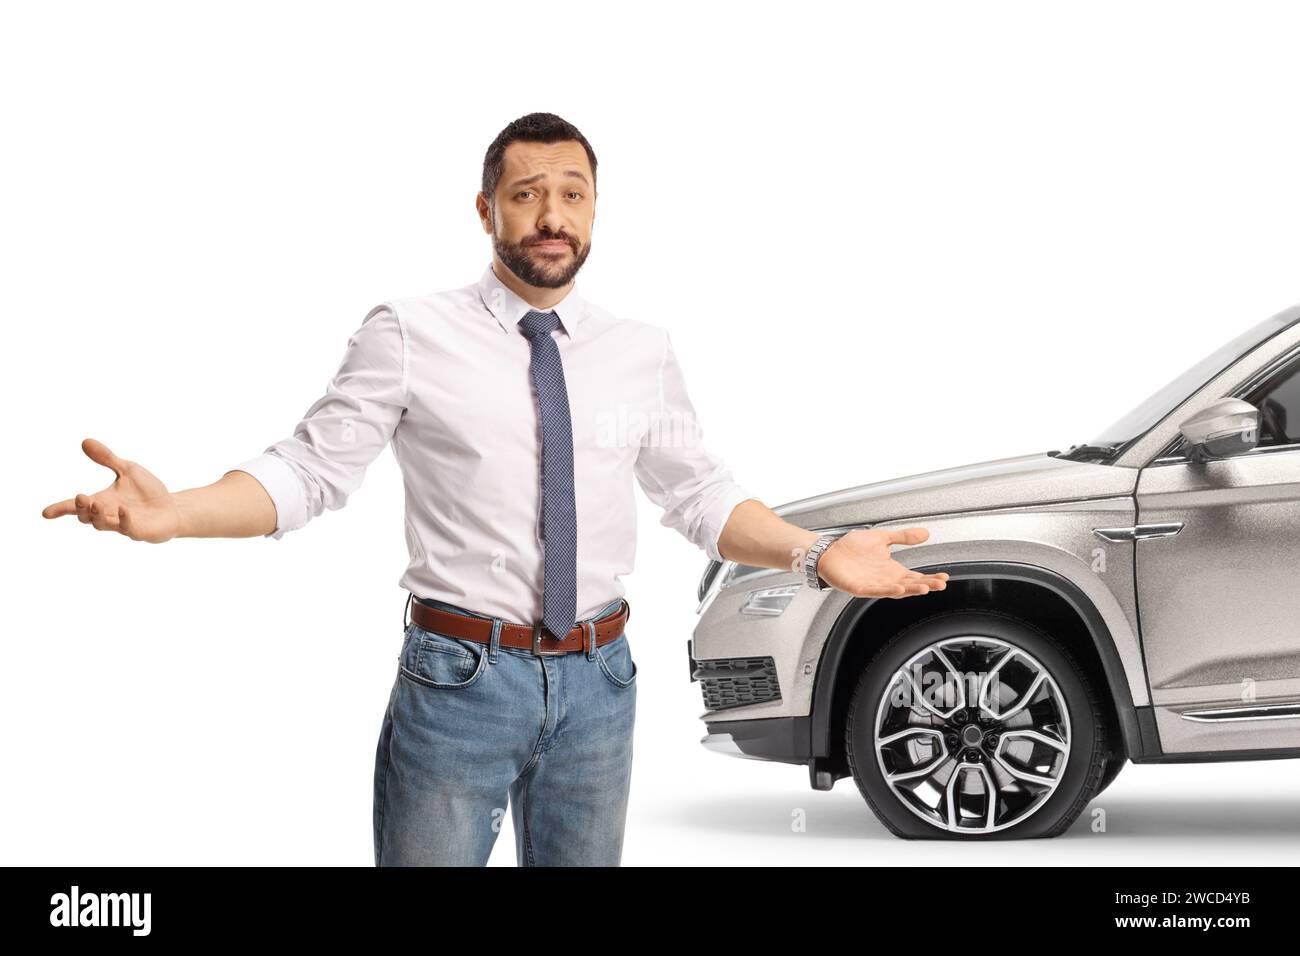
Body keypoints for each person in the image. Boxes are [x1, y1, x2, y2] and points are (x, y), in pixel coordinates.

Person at [41, 111, 949, 866]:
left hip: (601, 681)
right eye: (527, 196)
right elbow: (311, 472)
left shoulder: (641, 351)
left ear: (595, 211)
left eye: (571, 195)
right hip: (459, 682)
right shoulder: (408, 332)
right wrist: (177, 514)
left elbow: (701, 496)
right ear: (486, 211)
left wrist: (817, 551)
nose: (551, 216)